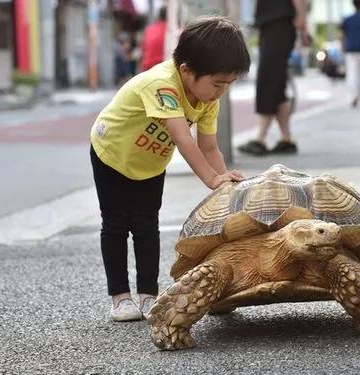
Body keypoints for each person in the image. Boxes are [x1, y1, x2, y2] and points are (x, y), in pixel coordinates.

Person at [90, 17, 250, 322]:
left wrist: (224, 185)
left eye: (227, 85)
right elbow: (181, 137)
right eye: (217, 83)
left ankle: (149, 295)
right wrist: (211, 178)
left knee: (147, 224)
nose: (221, 92)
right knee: (115, 223)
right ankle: (120, 298)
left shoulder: (207, 98)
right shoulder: (162, 84)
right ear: (187, 70)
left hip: (149, 162)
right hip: (111, 153)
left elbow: (209, 146)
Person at [238, 0, 310, 156]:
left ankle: (260, 138)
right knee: (277, 83)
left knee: (267, 80)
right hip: (273, 24)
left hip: (279, 23)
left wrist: (302, 19)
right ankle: (286, 139)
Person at [141, 7, 167, 72]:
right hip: (163, 67)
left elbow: (143, 49)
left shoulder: (149, 29)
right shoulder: (171, 31)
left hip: (148, 67)